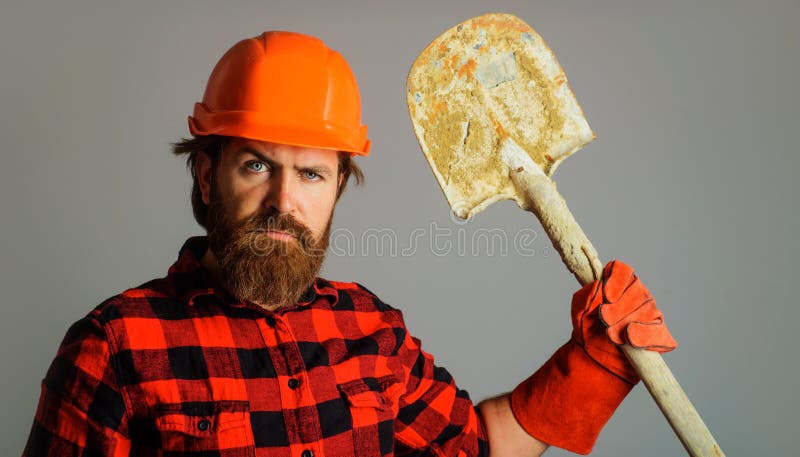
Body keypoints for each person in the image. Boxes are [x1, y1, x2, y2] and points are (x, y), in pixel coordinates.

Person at [22, 31, 677, 456]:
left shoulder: (371, 329)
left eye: (311, 173)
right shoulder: (114, 347)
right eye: (256, 165)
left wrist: (591, 361)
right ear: (205, 173)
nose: (283, 200)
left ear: (338, 186)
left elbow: (476, 446)